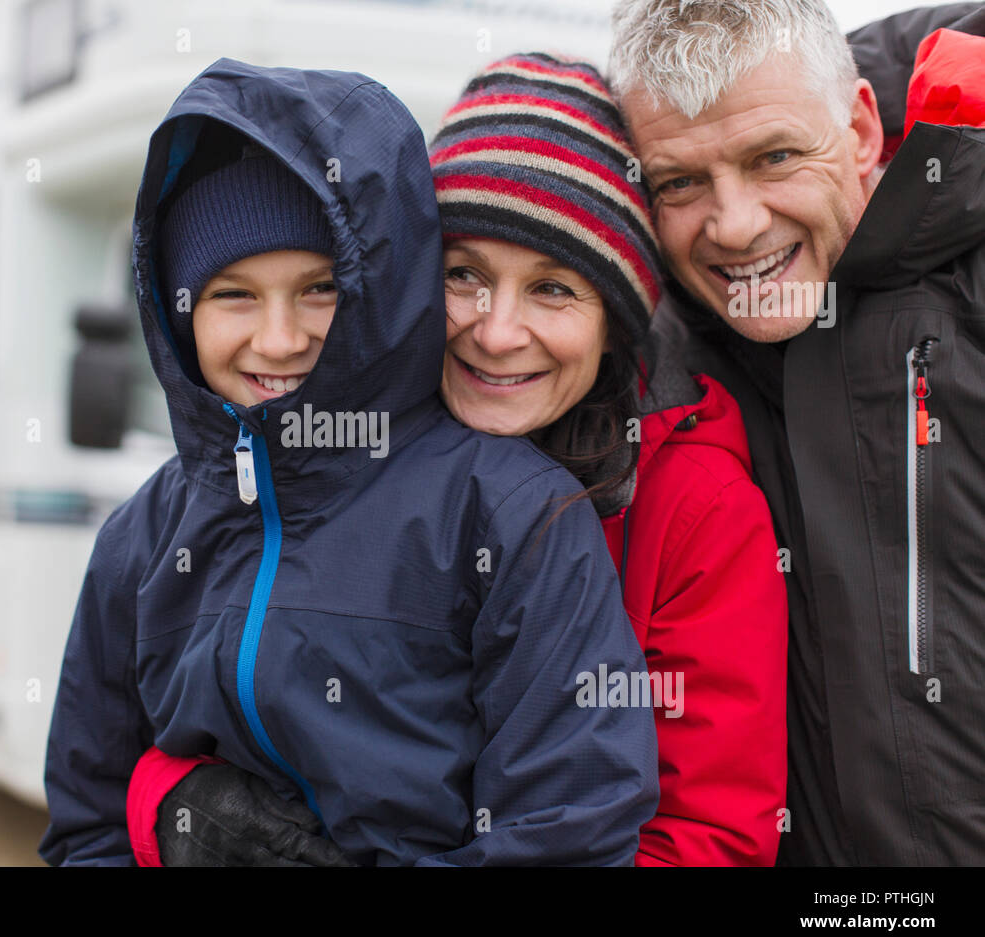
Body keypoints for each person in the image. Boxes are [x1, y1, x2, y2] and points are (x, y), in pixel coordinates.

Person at [125, 53, 788, 867]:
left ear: (615, 317)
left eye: (553, 289)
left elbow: (706, 840)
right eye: (464, 275)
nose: (497, 331)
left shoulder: (695, 504)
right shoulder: (336, 459)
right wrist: (165, 800)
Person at [608, 0, 985, 864]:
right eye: (680, 183)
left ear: (858, 131)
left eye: (774, 158)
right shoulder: (647, 376)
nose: (735, 225)